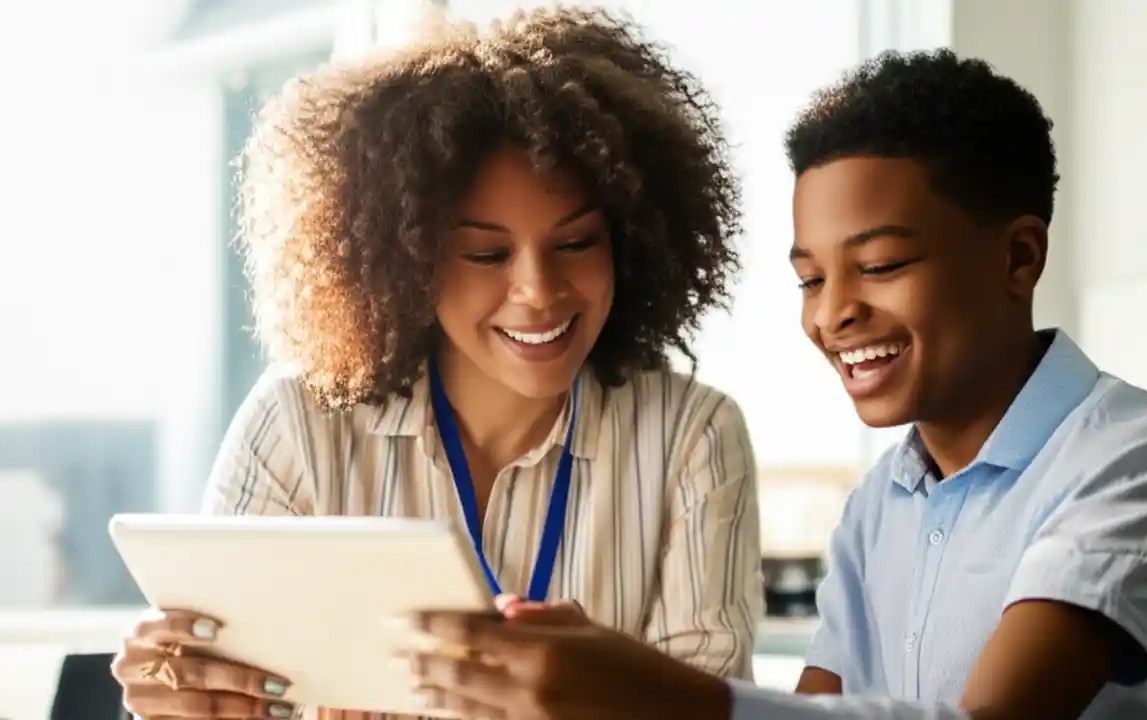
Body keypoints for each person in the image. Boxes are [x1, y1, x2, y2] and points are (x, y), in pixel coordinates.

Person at [400, 49, 1147, 720]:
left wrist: (647, 693)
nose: (834, 313)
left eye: (879, 265)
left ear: (1019, 256)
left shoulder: (1139, 460)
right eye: (811, 279)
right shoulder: (883, 503)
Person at [110, 7, 762, 719]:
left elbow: (707, 710)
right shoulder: (297, 425)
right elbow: (211, 673)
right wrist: (179, 697)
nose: (539, 292)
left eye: (576, 243)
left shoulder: (690, 438)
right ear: (409, 261)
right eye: (486, 254)